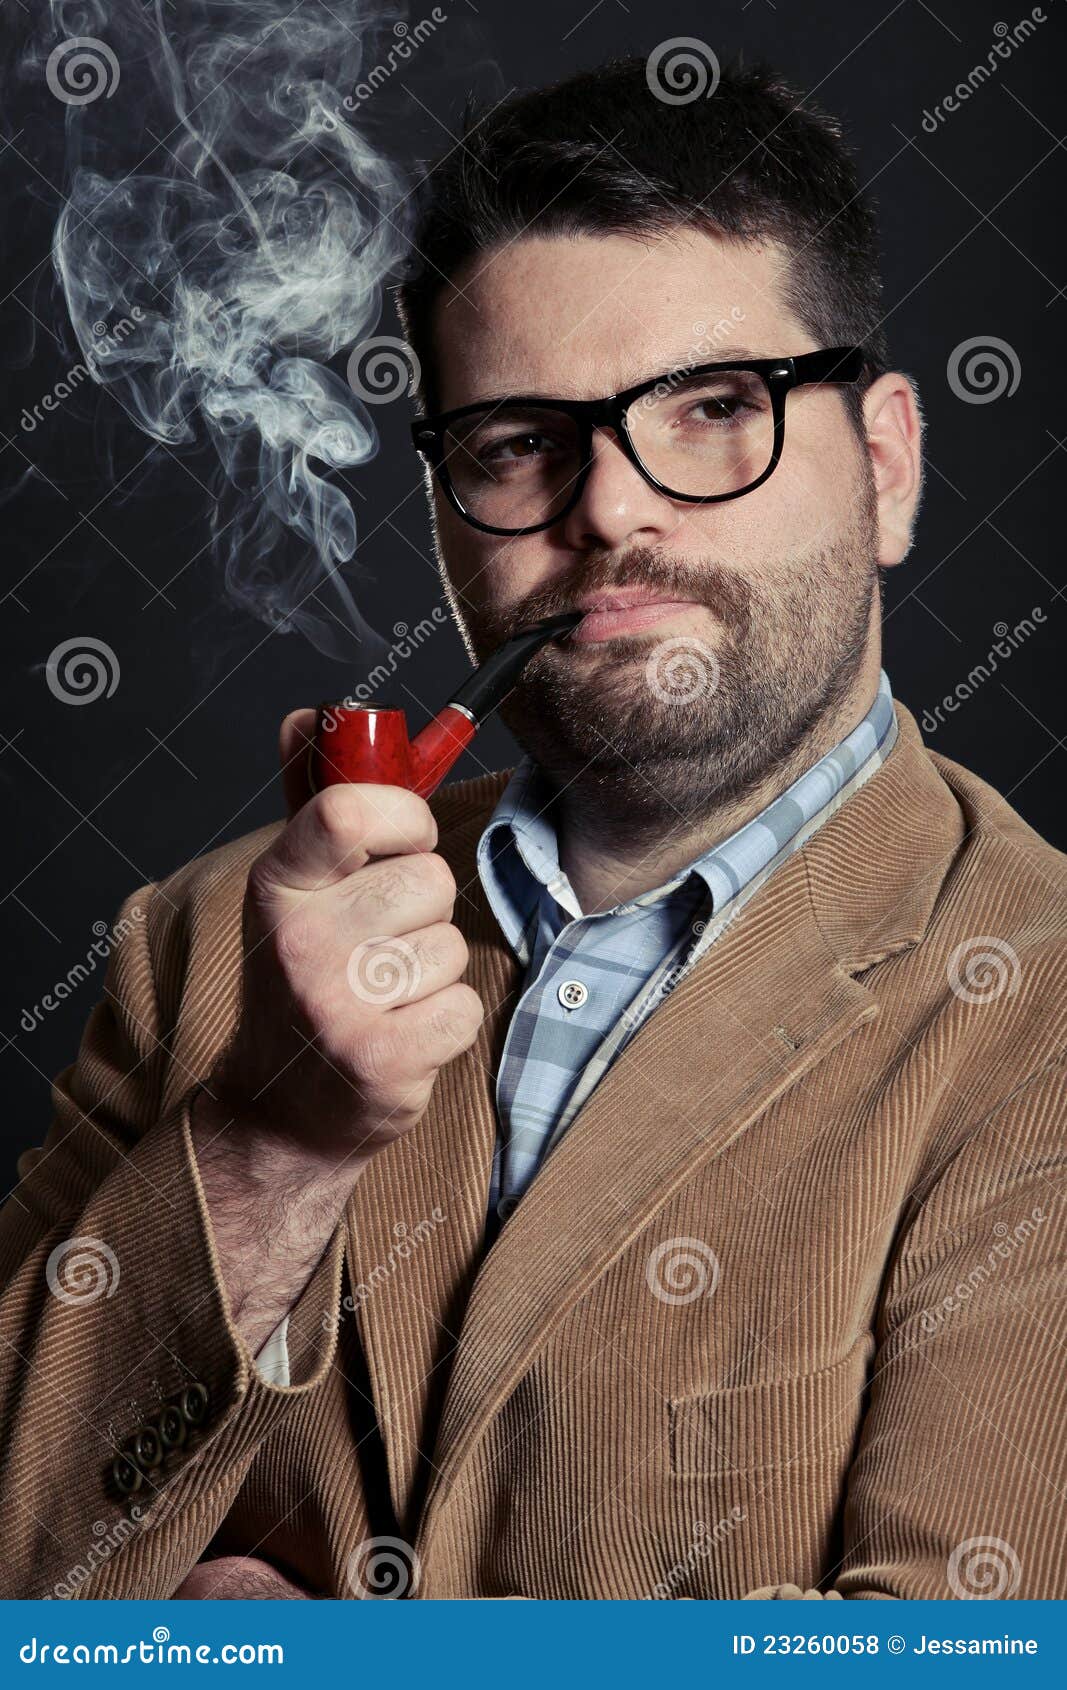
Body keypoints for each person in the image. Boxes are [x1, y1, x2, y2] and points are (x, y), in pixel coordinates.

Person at [2, 56, 1063, 1603]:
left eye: (715, 410)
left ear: (888, 464)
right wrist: (268, 1148)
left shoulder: (1031, 1006)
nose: (615, 509)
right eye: (516, 442)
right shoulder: (203, 947)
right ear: (444, 509)